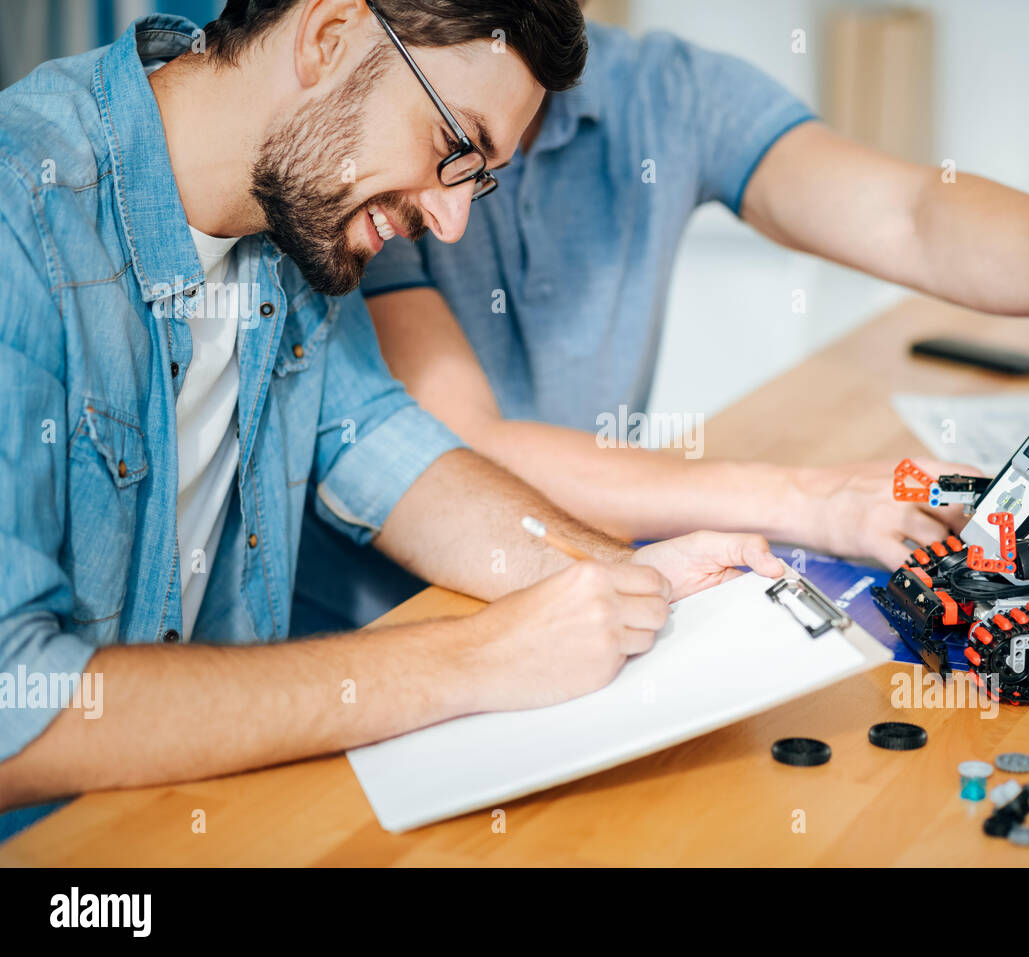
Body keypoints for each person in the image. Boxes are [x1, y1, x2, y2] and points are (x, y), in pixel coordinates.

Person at [0, 0, 784, 825]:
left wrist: (629, 578)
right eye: (456, 145)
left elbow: (389, 450)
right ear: (329, 35)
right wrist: (477, 657)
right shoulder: (22, 213)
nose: (449, 224)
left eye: (478, 177)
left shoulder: (294, 225)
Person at [293, 13, 1029, 633]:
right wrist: (807, 499)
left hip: (586, 575)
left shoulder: (666, 91)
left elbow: (912, 212)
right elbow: (461, 447)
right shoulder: (391, 134)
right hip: (387, 620)